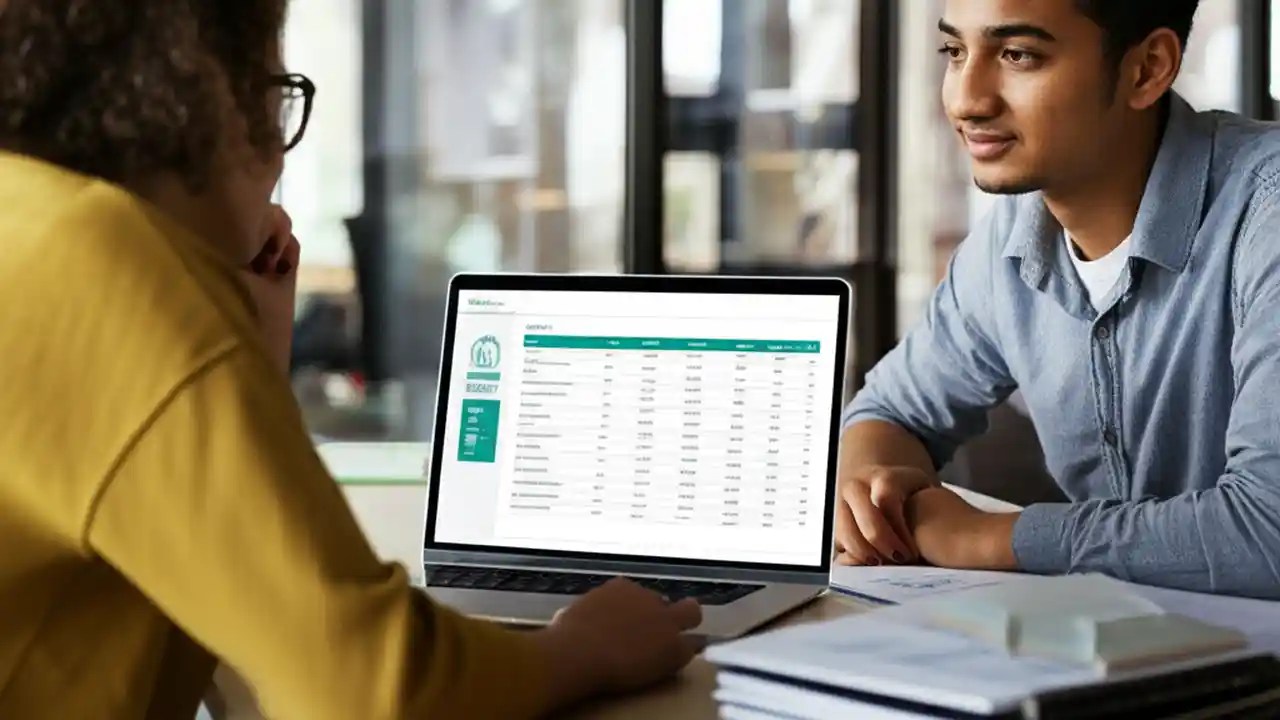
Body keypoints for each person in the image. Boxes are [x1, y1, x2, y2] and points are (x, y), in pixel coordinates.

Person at [0, 2, 700, 718]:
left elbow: (211, 600)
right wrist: (580, 649)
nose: (278, 154)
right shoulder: (104, 266)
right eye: (275, 97)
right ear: (203, 96)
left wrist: (245, 357)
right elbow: (368, 689)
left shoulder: (29, 232)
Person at [836, 0, 1280, 600]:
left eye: (1018, 55)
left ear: (1147, 68)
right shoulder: (1010, 237)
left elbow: (1267, 533)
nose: (967, 100)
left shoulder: (1266, 213)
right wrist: (871, 496)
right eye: (955, 52)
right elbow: (889, 414)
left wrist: (987, 538)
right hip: (1118, 654)